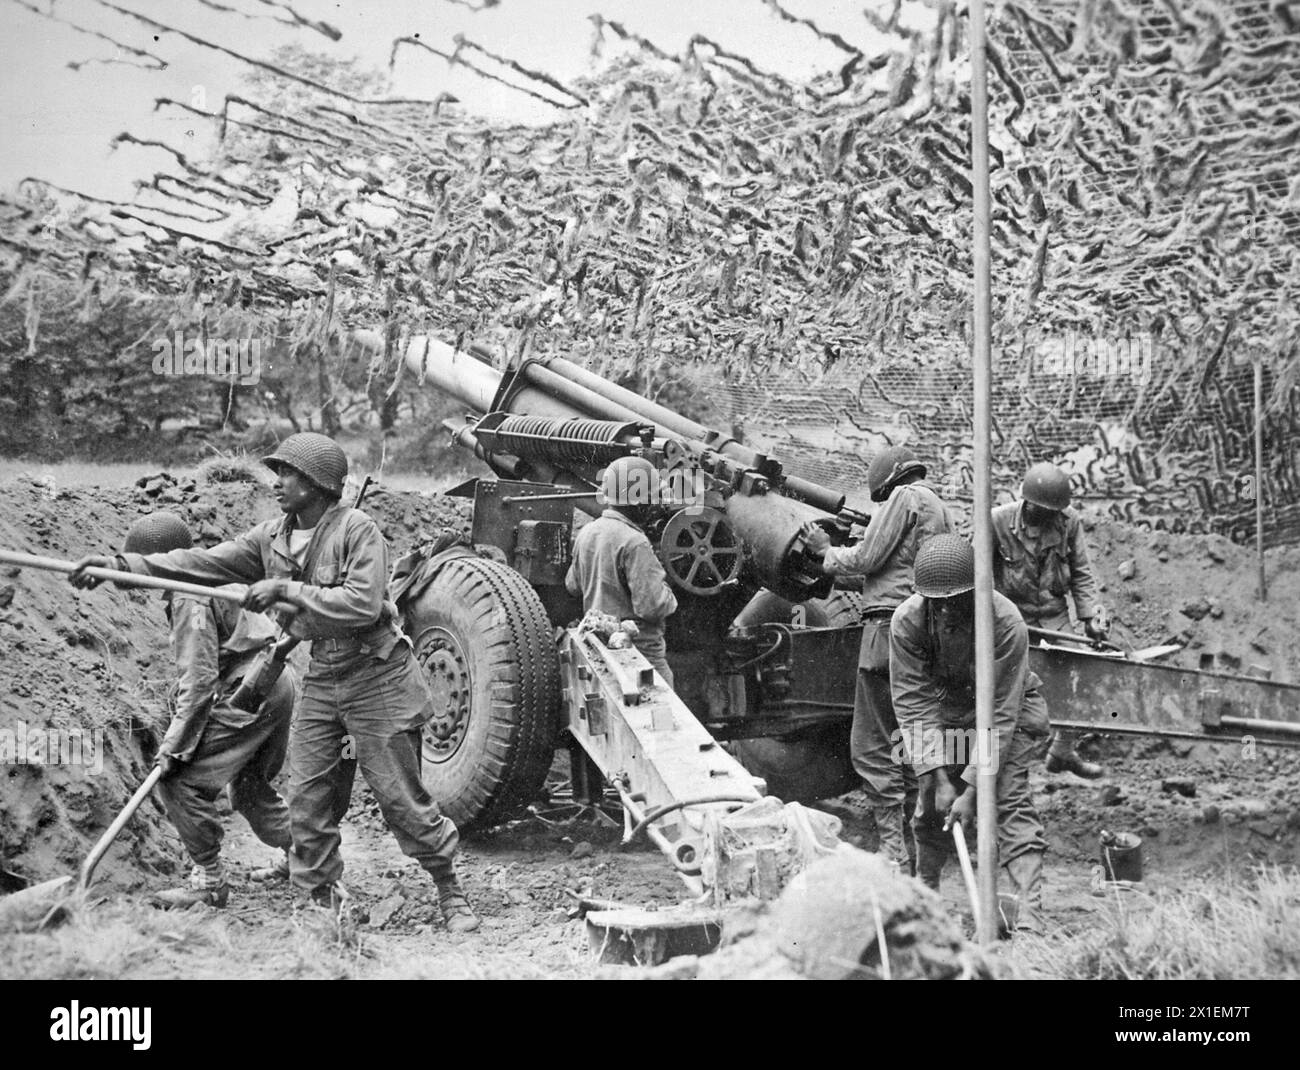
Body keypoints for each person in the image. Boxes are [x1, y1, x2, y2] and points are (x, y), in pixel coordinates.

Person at [70, 432, 480, 933]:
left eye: (286, 473)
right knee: (309, 801)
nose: (276, 482)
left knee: (400, 800)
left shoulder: (357, 530)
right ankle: (317, 906)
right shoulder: (271, 537)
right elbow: (201, 563)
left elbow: (363, 604)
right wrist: (122, 567)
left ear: (317, 483)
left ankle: (449, 890)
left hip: (380, 677)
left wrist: (287, 589)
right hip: (325, 677)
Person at [122, 512, 295, 909]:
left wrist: (174, 748)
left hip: (250, 690)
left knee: (178, 781)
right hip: (275, 681)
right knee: (250, 789)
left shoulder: (188, 594)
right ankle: (307, 852)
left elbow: (198, 684)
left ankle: (209, 880)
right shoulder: (210, 576)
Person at [800, 445, 952, 873]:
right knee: (904, 741)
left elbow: (867, 559)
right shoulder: (935, 506)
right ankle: (912, 845)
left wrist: (824, 548)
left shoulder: (904, 498)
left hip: (886, 630)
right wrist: (835, 559)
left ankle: (894, 851)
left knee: (869, 745)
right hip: (920, 627)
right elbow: (876, 569)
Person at [890, 533, 1049, 935]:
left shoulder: (1006, 622)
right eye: (936, 603)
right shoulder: (908, 621)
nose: (945, 611)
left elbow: (999, 713)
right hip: (947, 713)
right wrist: (940, 779)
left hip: (1004, 713)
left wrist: (975, 791)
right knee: (931, 805)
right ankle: (925, 901)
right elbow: (913, 702)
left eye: (955, 601)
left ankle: (1028, 916)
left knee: (1007, 800)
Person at [991, 461, 1107, 779]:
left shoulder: (1068, 522)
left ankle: (1063, 751)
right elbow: (978, 576)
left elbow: (1082, 572)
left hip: (1053, 613)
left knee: (1079, 672)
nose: (1051, 517)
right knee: (1009, 686)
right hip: (1012, 617)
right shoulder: (997, 521)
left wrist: (1091, 617)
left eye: (1056, 511)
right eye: (1045, 511)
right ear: (1028, 503)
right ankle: (1003, 763)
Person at [565, 455, 678, 687]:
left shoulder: (587, 533)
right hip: (641, 653)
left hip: (599, 646)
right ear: (638, 501)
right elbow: (653, 607)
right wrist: (666, 584)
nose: (655, 504)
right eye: (652, 497)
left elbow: (573, 586)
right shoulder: (635, 542)